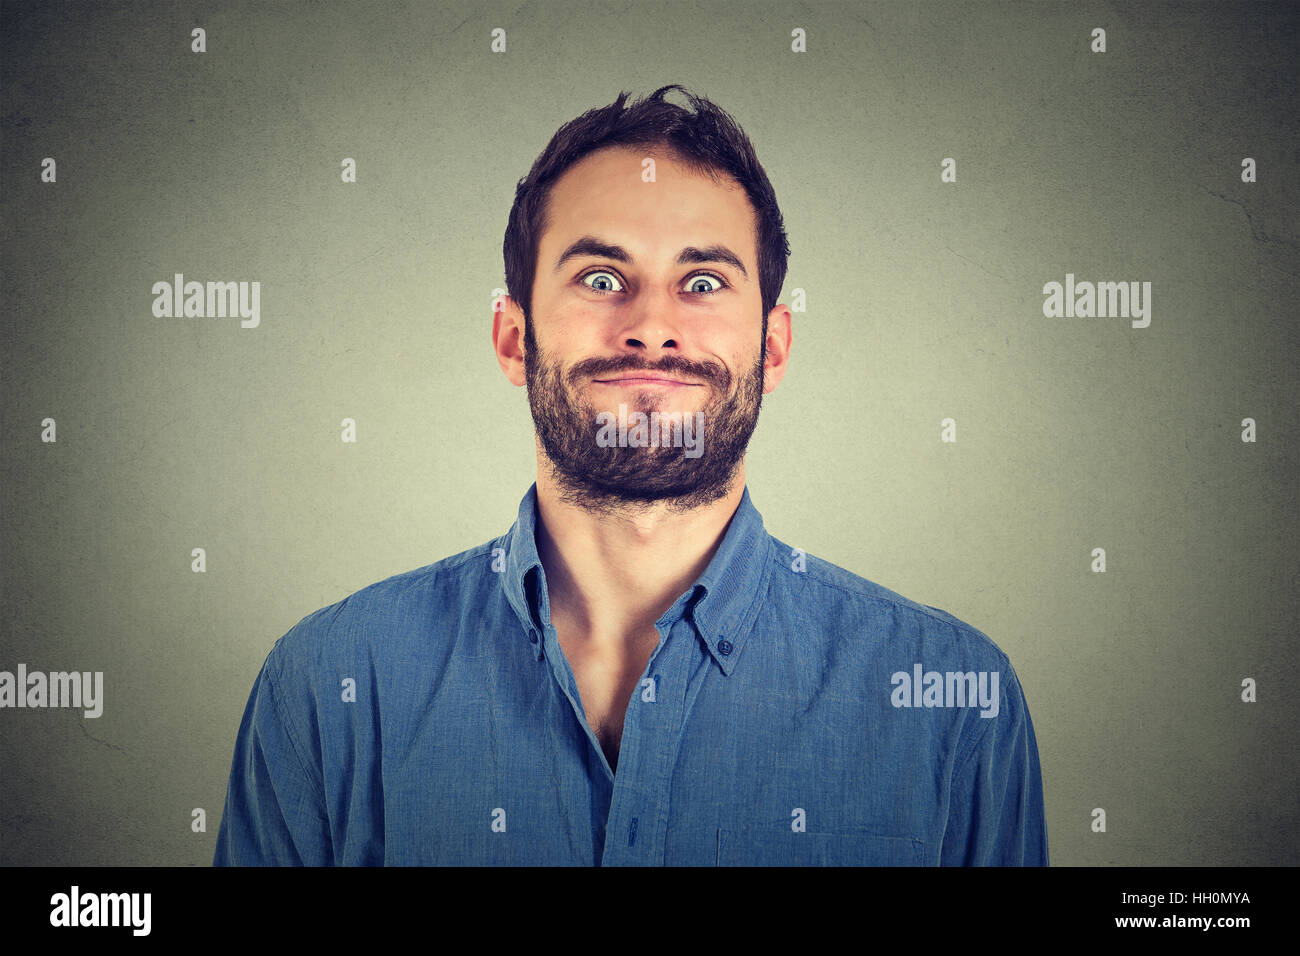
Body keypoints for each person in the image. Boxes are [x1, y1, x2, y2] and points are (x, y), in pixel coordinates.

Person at [213, 84, 1048, 866]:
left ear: (774, 346)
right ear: (513, 340)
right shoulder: (329, 685)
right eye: (601, 278)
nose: (653, 327)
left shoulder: (953, 703)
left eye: (704, 281)